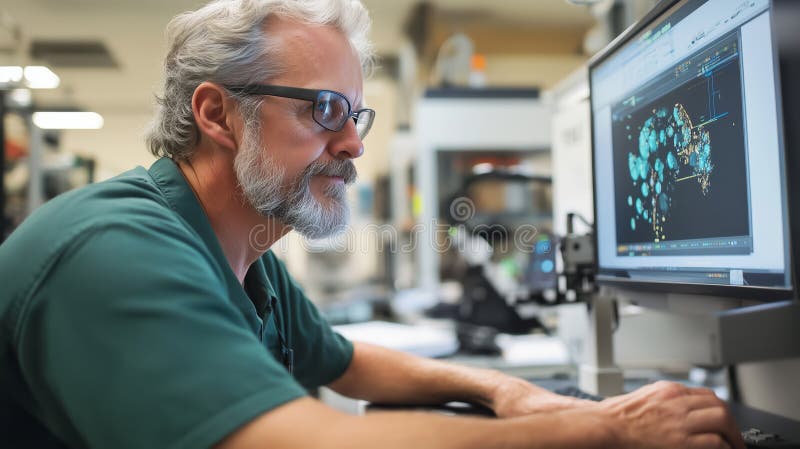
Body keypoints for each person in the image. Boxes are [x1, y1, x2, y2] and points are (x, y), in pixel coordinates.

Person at [0, 1, 745, 448]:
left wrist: (503, 391)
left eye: (354, 114)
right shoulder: (114, 255)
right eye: (325, 110)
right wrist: (603, 430)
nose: (354, 143)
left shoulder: (244, 258)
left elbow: (346, 358)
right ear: (217, 113)